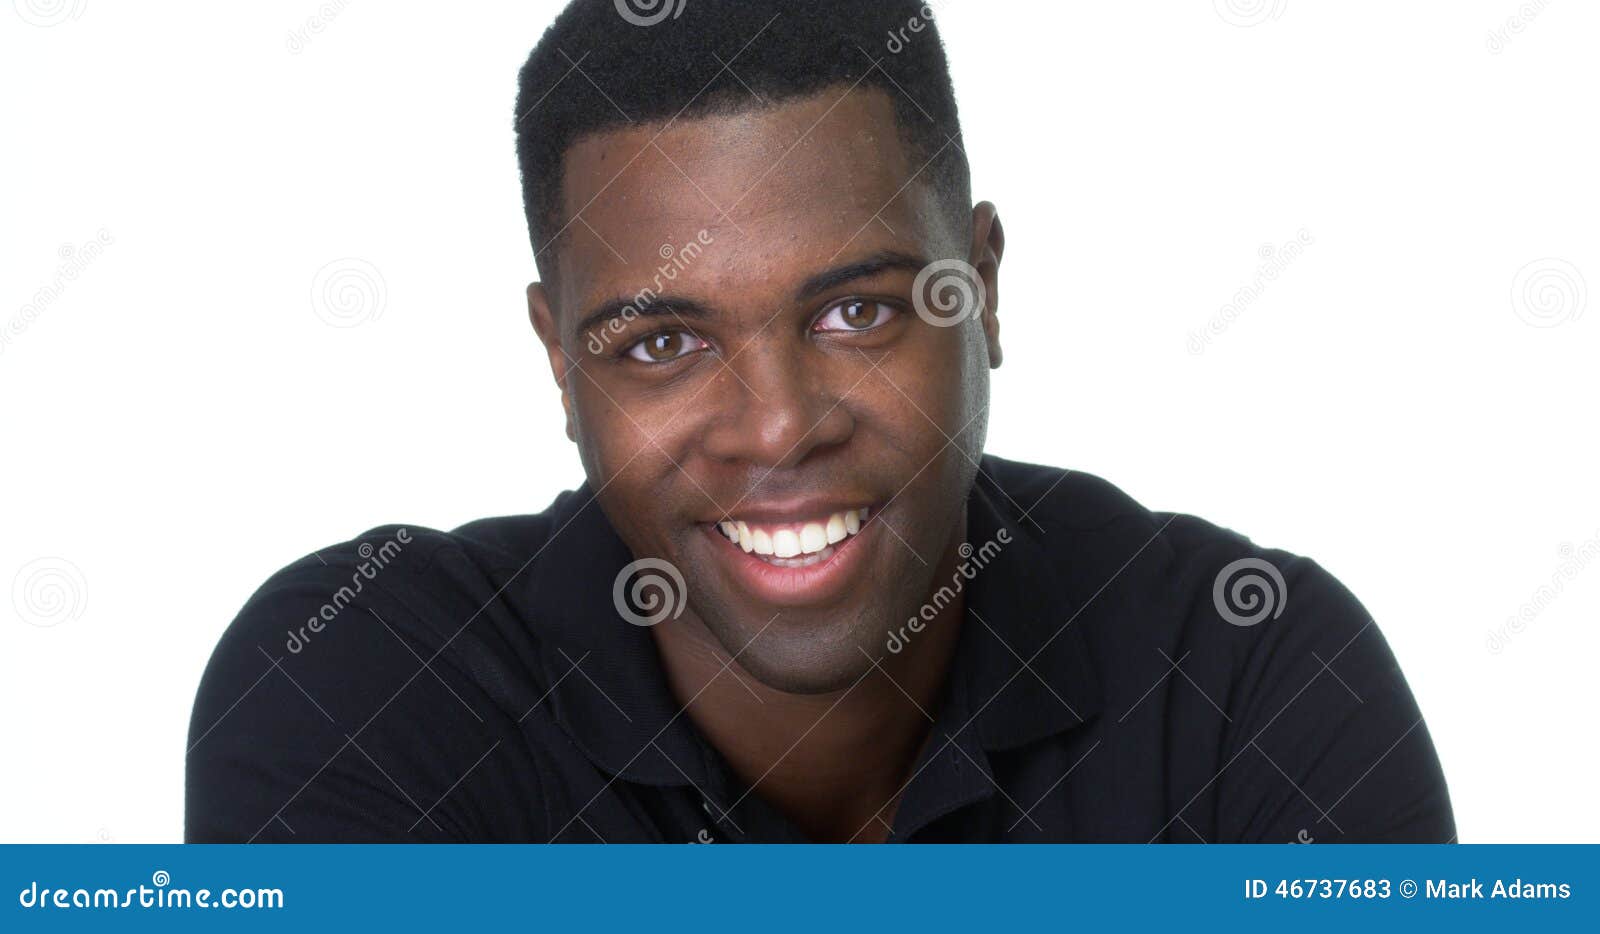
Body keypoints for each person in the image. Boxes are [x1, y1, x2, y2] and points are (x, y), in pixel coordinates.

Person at [186, 0, 1453, 843]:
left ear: (981, 289)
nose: (778, 428)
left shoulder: (1243, 672)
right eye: (664, 343)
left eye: (856, 314)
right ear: (560, 365)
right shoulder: (361, 682)